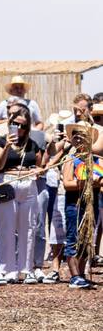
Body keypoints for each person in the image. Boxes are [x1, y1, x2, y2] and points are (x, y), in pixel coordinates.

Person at [0, 107, 45, 285]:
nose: (18, 129)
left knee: (28, 229)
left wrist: (38, 169)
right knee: (5, 228)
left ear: (28, 127)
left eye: (22, 125)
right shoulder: (0, 141)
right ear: (9, 123)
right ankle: (3, 269)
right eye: (15, 124)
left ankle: (26, 269)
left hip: (28, 184)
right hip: (7, 182)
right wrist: (7, 146)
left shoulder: (32, 144)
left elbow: (39, 163)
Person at [60, 123, 99, 289]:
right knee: (73, 239)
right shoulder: (70, 159)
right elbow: (67, 184)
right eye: (75, 135)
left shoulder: (96, 160)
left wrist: (97, 182)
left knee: (86, 240)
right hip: (74, 205)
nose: (78, 138)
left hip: (91, 204)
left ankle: (82, 274)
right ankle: (75, 276)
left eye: (82, 135)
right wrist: (87, 183)